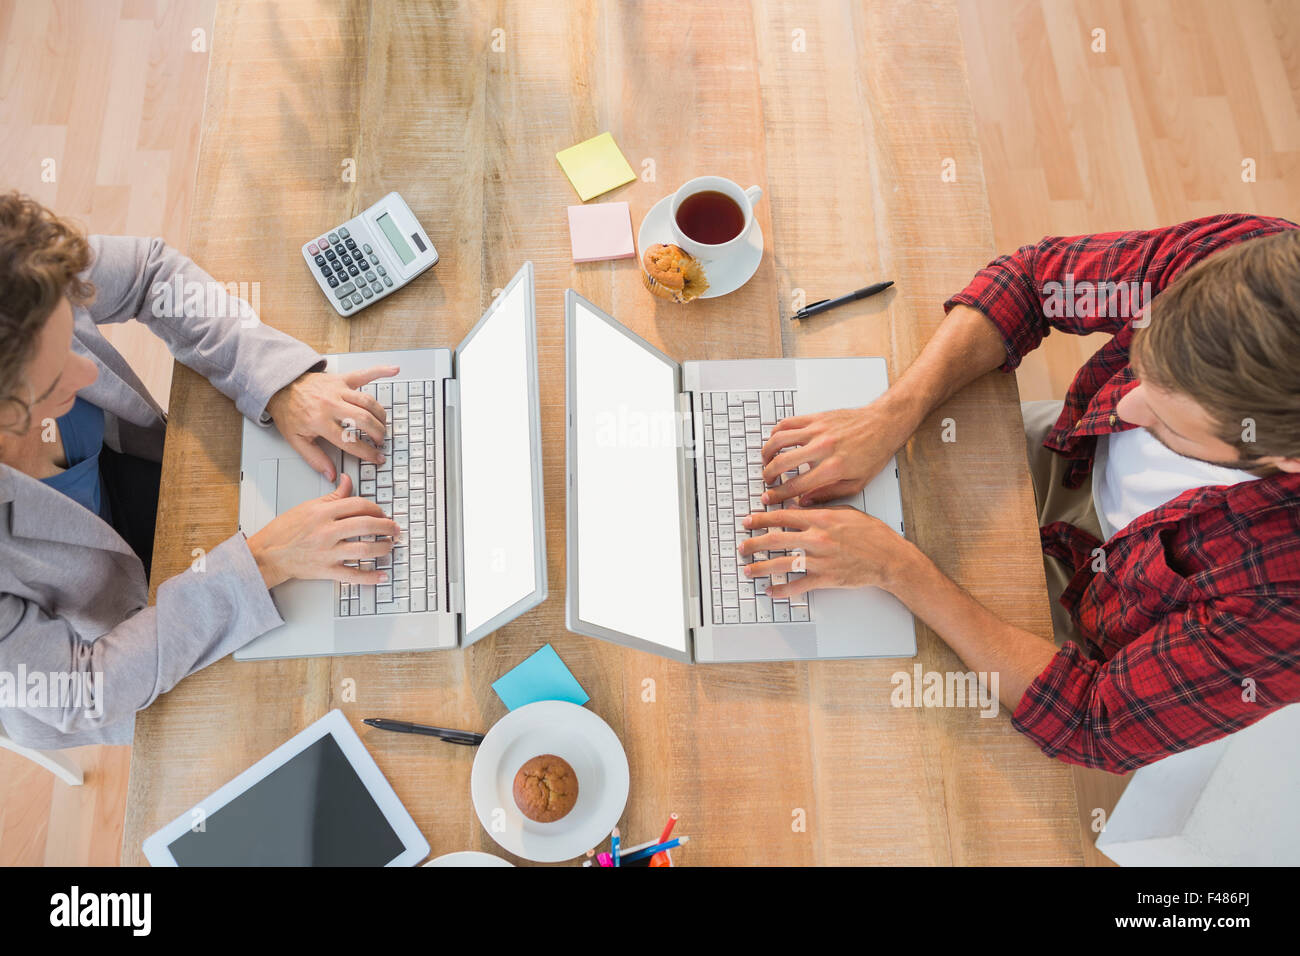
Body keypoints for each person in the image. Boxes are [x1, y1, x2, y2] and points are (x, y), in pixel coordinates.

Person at [748, 214, 1300, 773]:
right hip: (1069, 455)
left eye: (1166, 421)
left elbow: (1095, 720)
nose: (1125, 410)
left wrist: (897, 568)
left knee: (836, 712)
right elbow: (1034, 282)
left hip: (1084, 617)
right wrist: (892, 415)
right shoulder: (1250, 267)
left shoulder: (1287, 605)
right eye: (1142, 369)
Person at [0, 193, 399, 749]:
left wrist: (275, 378)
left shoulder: (19, 276)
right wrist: (261, 563)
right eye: (52, 376)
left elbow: (149, 275)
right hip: (126, 655)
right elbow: (83, 689)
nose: (88, 369)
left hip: (153, 491)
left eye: (71, 336)